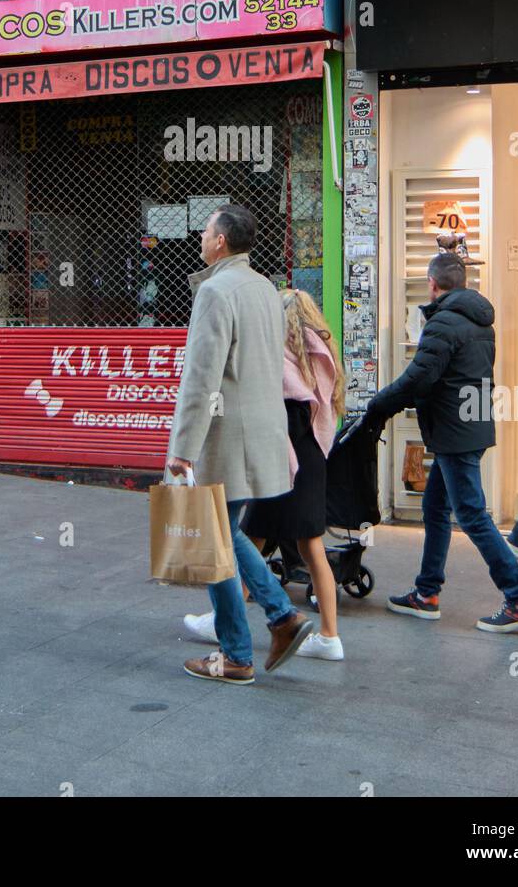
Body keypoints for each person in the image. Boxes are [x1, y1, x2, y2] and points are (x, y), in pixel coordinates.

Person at [166, 204, 312, 683]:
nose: (202, 237)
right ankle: (272, 622)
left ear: (221, 241)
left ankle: (245, 646)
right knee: (223, 536)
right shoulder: (266, 288)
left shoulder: (214, 290)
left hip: (225, 437)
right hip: (261, 434)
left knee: (214, 540)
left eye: (206, 231)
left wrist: (182, 448)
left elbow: (200, 377)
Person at [366, 252, 518, 632]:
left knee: (472, 514)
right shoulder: (481, 323)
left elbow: (419, 378)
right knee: (434, 508)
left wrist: (378, 406)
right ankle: (426, 593)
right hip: (470, 424)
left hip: (454, 431)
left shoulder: (443, 323)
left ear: (433, 284)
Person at [186, 288, 346, 659]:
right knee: (308, 547)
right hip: (312, 463)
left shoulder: (281, 359)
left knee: (245, 537)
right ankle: (330, 637)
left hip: (282, 463)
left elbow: (276, 417)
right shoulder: (320, 355)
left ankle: (227, 618)